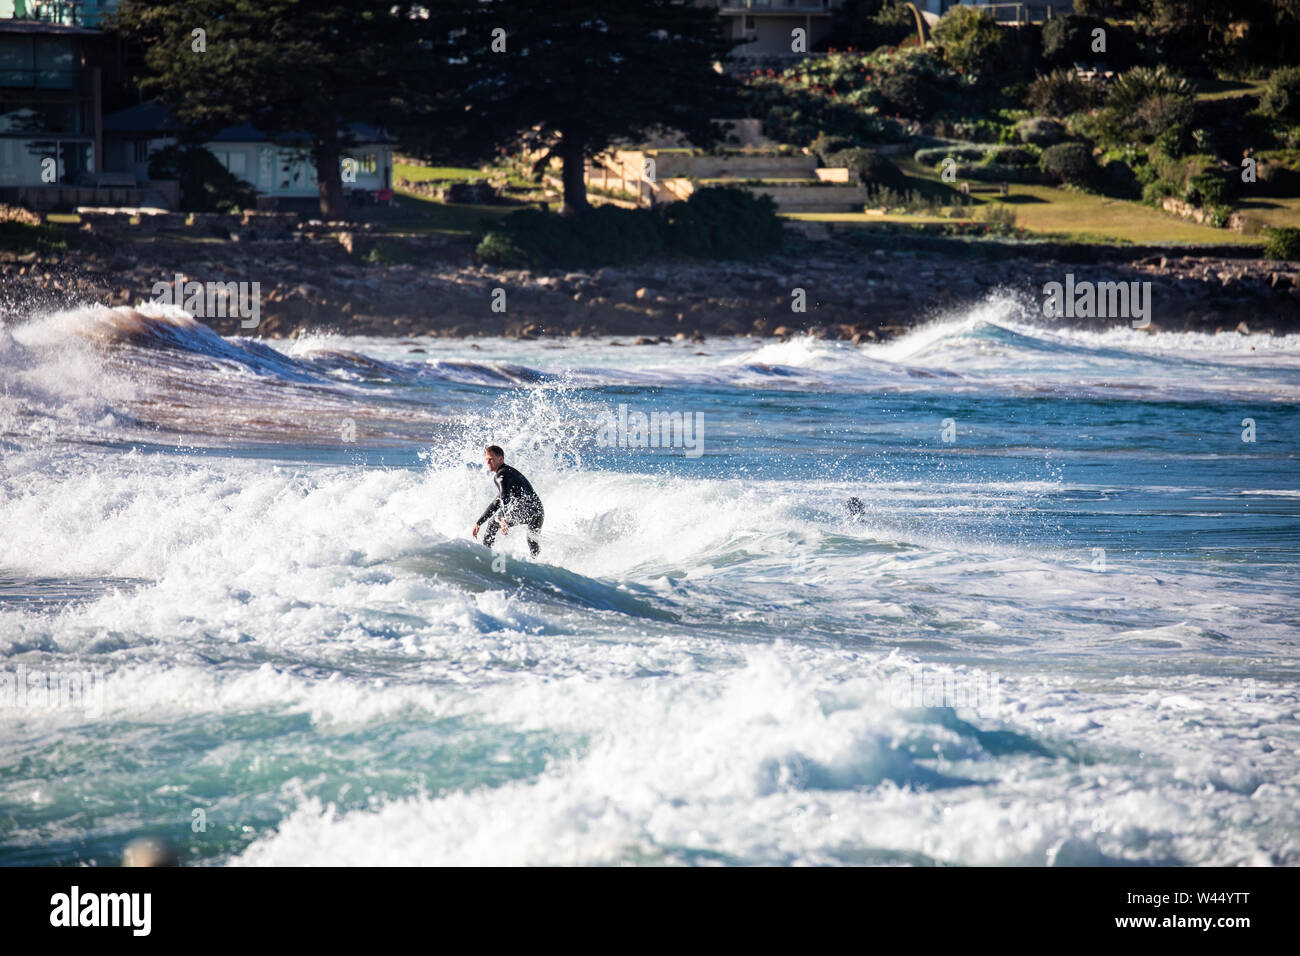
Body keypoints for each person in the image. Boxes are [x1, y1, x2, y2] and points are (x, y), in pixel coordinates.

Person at [472, 445, 545, 556]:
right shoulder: (509, 473)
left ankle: (485, 555)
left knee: (492, 524)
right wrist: (479, 522)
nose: (488, 463)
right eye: (487, 459)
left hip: (528, 510)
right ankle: (539, 563)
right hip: (538, 511)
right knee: (532, 541)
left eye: (491, 459)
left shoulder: (501, 475)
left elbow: (504, 496)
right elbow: (497, 502)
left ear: (500, 459)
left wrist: (502, 517)